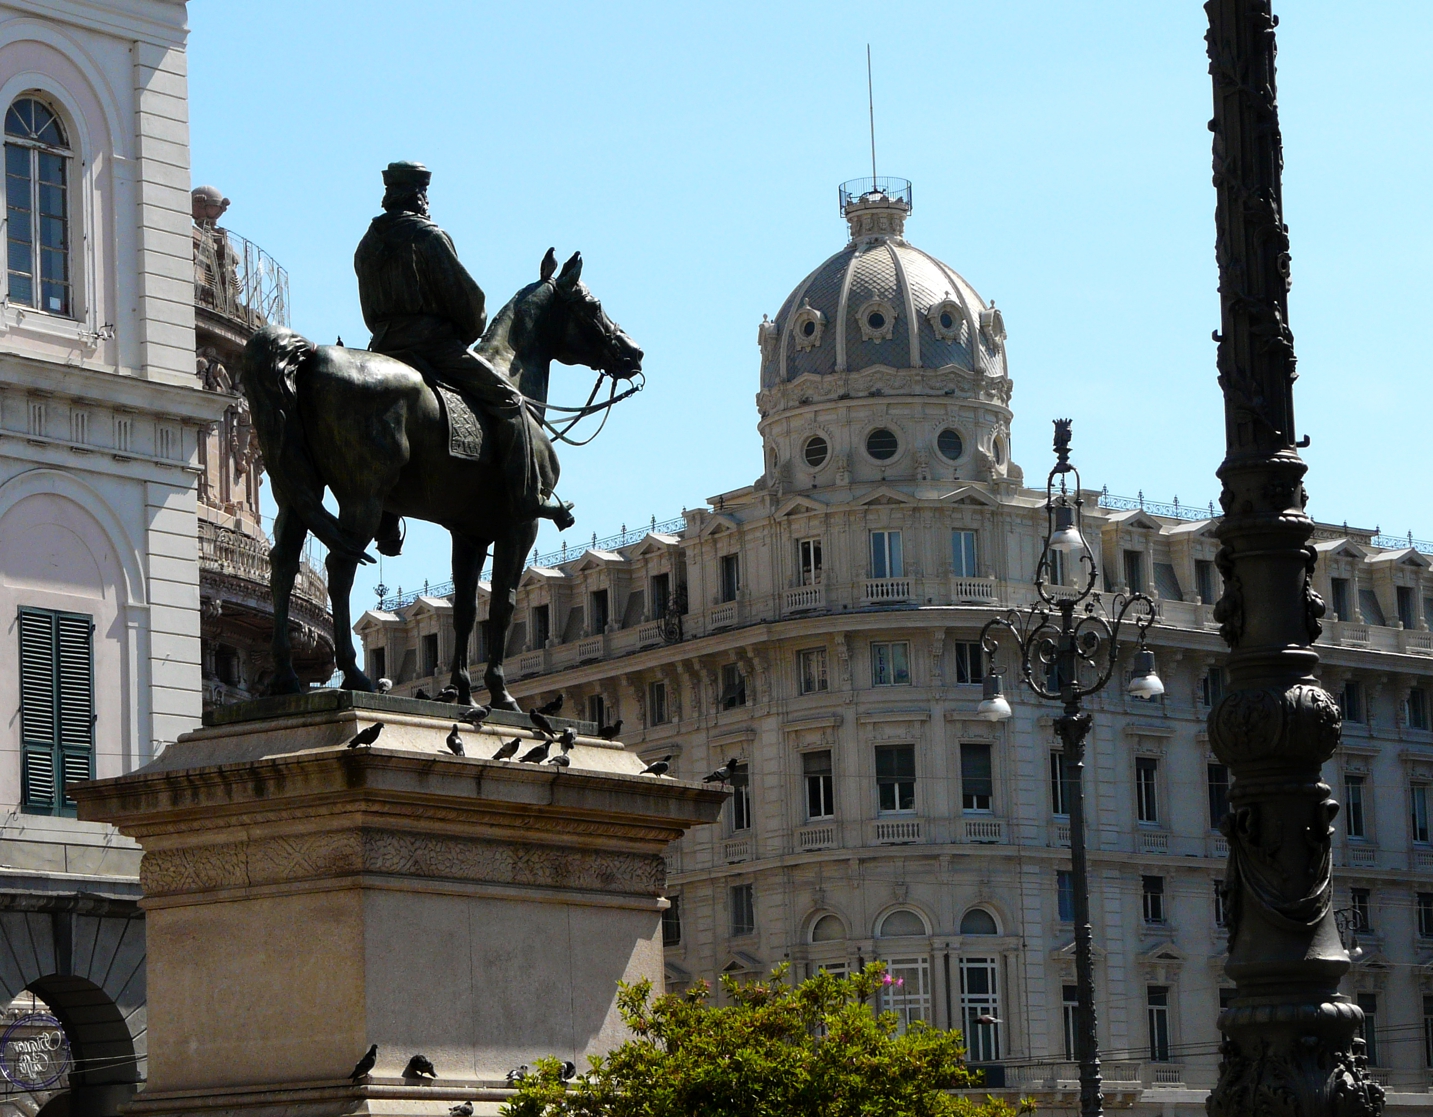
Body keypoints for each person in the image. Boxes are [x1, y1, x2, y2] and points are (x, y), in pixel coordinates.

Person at [354, 161, 572, 554]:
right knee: (512, 401)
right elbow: (468, 300)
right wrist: (466, 330)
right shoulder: (427, 236)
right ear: (420, 197)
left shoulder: (368, 242)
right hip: (429, 345)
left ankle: (386, 521)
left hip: (383, 346)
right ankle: (531, 496)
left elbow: (368, 305)